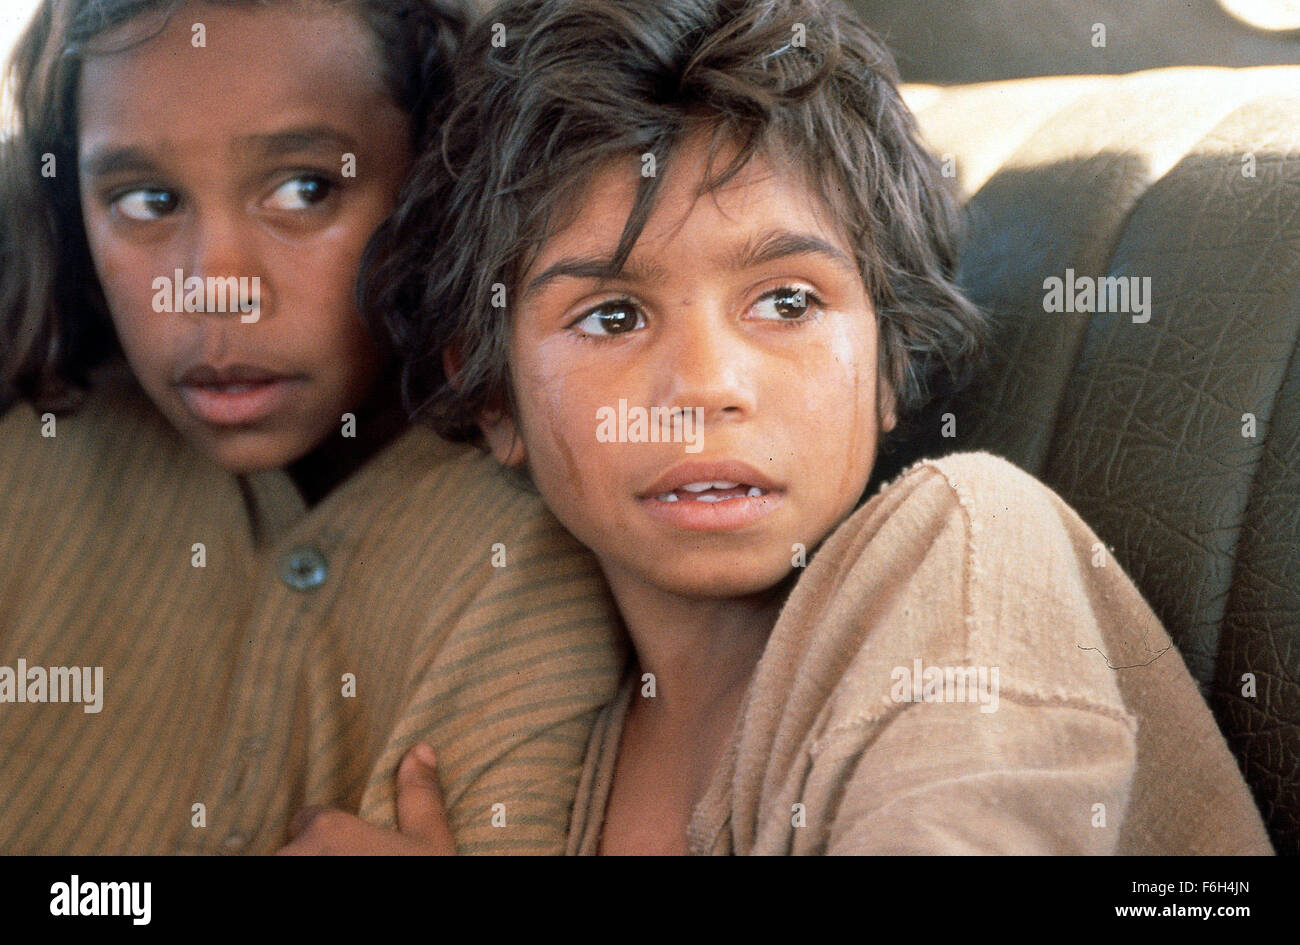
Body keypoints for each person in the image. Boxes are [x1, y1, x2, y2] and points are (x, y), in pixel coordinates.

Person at [358, 0, 1275, 854]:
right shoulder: (545, 744)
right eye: (612, 317)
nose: (706, 388)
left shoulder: (961, 557)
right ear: (492, 398)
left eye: (787, 301)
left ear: (891, 358)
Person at [0, 0, 623, 855]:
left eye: (305, 188)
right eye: (147, 200)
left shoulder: (531, 551)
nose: (216, 288)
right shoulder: (28, 476)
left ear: (434, 181)